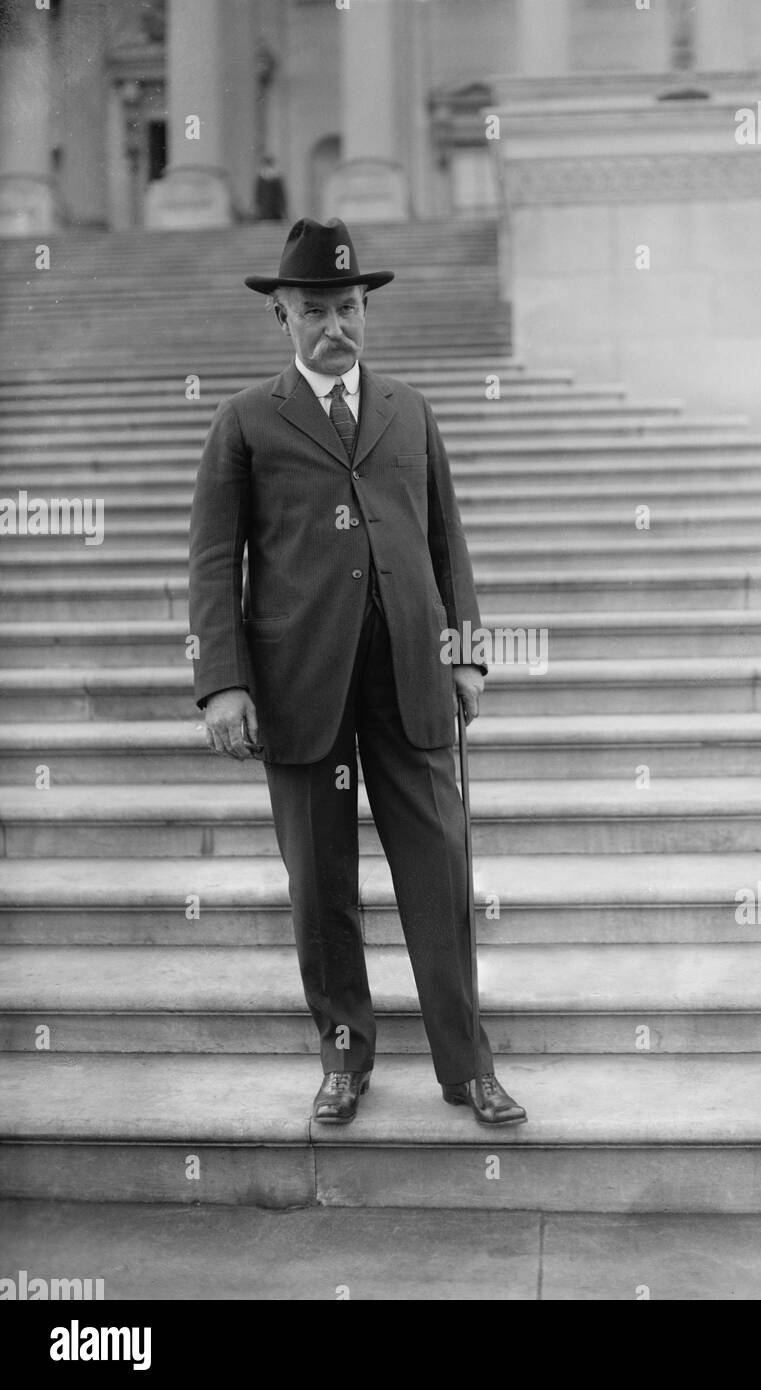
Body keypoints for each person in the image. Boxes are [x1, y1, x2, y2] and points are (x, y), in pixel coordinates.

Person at [188, 217, 526, 1128]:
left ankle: (468, 1068)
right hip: (300, 684)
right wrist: (224, 682)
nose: (334, 326)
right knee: (322, 882)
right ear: (282, 319)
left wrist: (465, 655)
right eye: (314, 312)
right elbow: (214, 564)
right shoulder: (247, 422)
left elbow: (446, 542)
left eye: (347, 308)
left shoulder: (408, 410)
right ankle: (344, 1062)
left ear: (365, 307)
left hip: (410, 676)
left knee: (439, 873)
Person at [254, 155, 287, 221]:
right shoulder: (260, 180)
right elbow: (258, 196)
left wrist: (281, 209)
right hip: (264, 212)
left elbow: (281, 196)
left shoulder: (277, 179)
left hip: (275, 212)